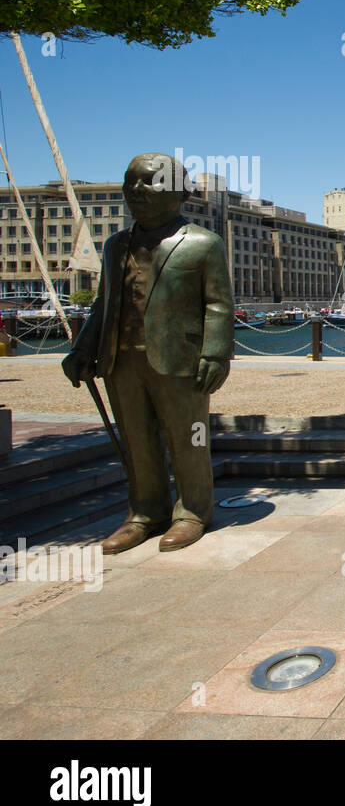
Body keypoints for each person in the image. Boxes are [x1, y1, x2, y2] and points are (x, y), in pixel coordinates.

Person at [61, 153, 233, 553]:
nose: (136, 190)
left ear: (177, 193)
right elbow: (103, 303)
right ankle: (144, 512)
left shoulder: (203, 244)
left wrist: (215, 354)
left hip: (180, 361)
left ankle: (193, 511)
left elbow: (219, 304)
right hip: (120, 361)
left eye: (150, 181)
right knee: (136, 439)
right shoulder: (115, 246)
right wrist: (84, 347)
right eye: (130, 181)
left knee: (189, 438)